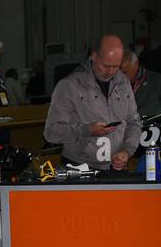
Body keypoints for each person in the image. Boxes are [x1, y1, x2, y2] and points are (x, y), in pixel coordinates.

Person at [43, 34, 141, 171]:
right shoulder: (69, 85)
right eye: (106, 66)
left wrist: (127, 151)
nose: (111, 72)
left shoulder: (123, 83)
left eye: (116, 66)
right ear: (94, 56)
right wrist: (86, 130)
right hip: (79, 169)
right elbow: (51, 132)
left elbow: (134, 122)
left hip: (116, 169)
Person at [120, 46, 161, 122]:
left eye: (124, 72)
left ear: (136, 64)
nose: (121, 76)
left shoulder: (159, 82)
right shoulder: (114, 85)